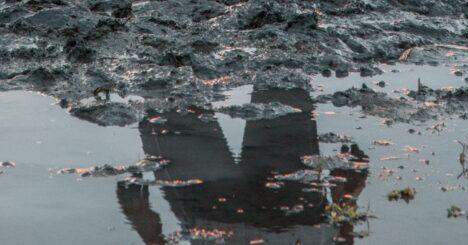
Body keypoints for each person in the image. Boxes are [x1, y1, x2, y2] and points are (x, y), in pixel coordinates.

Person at [116, 88, 369, 244]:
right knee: (170, 89)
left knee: (170, 87)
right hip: (290, 219)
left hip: (232, 216)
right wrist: (344, 201)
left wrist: (345, 201)